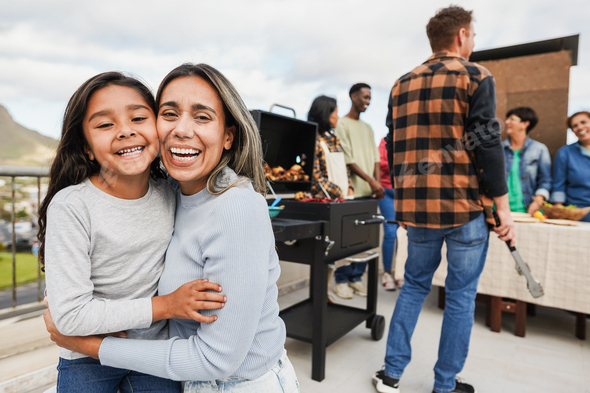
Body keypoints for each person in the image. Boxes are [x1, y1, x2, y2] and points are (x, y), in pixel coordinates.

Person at [44, 63, 299, 393]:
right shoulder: (175, 192)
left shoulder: (234, 207)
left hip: (234, 383)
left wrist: (88, 344)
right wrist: (69, 303)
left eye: (202, 116)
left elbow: (217, 358)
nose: (182, 129)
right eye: (169, 113)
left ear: (228, 136)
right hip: (177, 372)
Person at [38, 72, 226, 392]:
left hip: (152, 352)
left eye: (138, 117)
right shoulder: (72, 206)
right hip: (86, 355)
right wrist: (166, 306)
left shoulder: (171, 192)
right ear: (85, 146)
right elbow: (69, 318)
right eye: (104, 124)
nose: (125, 131)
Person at [373, 6, 515, 393]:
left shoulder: (400, 84)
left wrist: (403, 198)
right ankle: (445, 385)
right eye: (473, 37)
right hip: (465, 209)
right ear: (461, 36)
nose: (473, 43)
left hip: (418, 211)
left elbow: (392, 144)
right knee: (460, 296)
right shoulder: (476, 75)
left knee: (414, 285)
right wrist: (503, 207)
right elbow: (486, 143)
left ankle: (391, 375)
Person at [333, 83, 384, 299]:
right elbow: (347, 159)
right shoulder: (342, 124)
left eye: (370, 98)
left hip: (370, 191)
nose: (368, 101)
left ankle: (356, 278)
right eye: (364, 97)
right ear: (353, 97)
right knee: (348, 238)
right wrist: (371, 181)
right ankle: (341, 280)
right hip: (352, 191)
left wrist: (377, 185)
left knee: (365, 238)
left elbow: (375, 158)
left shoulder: (368, 128)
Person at [502, 107, 552, 215]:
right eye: (507, 119)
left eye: (512, 119)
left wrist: (538, 201)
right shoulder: (498, 149)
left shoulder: (539, 149)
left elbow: (545, 180)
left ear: (524, 124)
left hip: (527, 210)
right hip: (499, 211)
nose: (506, 122)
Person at [307, 95, 354, 199]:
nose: (338, 117)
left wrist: (350, 187)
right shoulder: (313, 140)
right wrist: (338, 192)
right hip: (325, 200)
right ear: (325, 113)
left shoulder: (334, 139)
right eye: (336, 113)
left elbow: (344, 168)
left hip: (344, 199)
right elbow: (315, 179)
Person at [551, 111, 590, 222]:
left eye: (583, 122)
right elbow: (558, 186)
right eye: (575, 126)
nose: (580, 127)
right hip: (578, 215)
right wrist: (559, 211)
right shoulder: (565, 153)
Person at [377, 137, 400, 291]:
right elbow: (379, 164)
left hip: (405, 192)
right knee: (390, 233)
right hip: (386, 192)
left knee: (404, 234)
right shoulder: (384, 142)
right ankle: (387, 272)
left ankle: (400, 273)